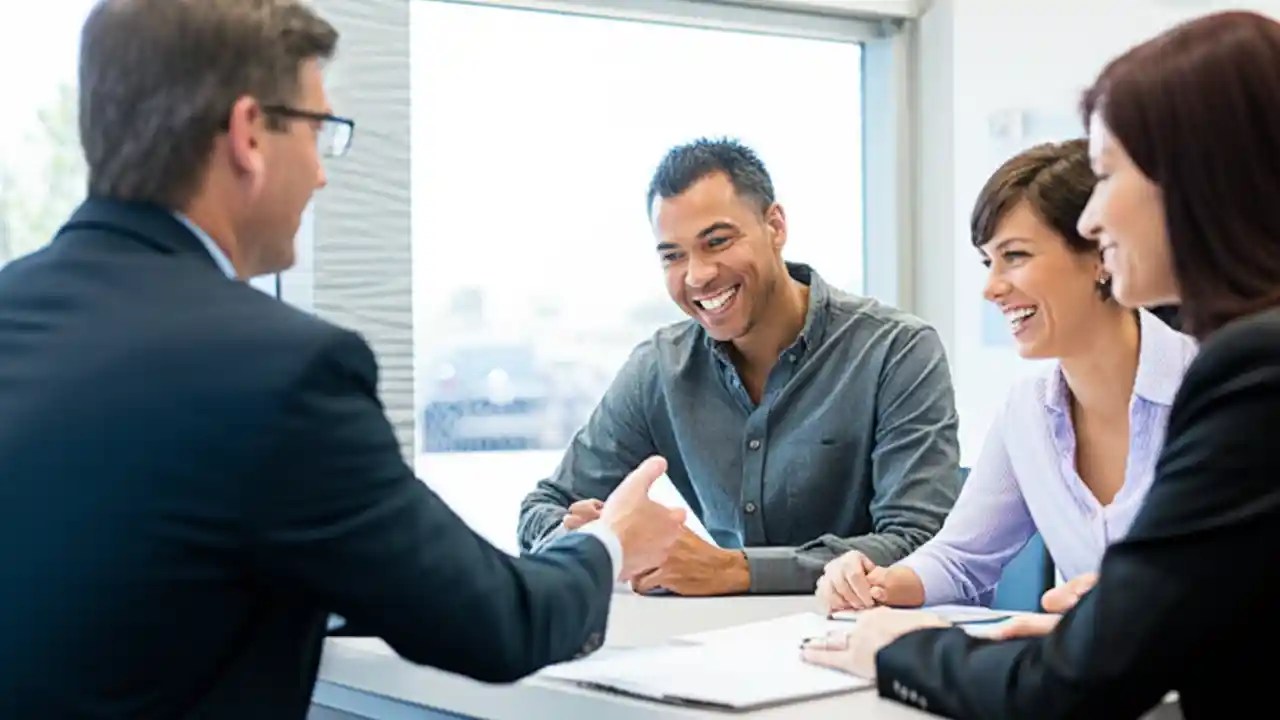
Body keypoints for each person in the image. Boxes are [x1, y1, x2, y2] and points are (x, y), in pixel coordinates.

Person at [0, 1, 687, 718]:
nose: (324, 176)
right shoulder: (277, 370)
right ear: (248, 136)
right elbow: (496, 625)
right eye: (319, 131)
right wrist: (612, 544)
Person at [801, 10, 1280, 719]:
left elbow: (1074, 686)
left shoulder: (1245, 373)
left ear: (1193, 179)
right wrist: (1130, 612)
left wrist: (895, 652)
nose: (1094, 216)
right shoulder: (1036, 408)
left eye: (1111, 174)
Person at [516, 138, 962, 596]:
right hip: (725, 642)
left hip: (867, 638)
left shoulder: (896, 350)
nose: (697, 274)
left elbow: (921, 544)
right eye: (673, 255)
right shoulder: (659, 370)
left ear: (775, 225)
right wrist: (593, 542)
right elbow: (542, 508)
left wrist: (734, 570)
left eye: (717, 241)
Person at [815, 140, 1196, 617]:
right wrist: (877, 582)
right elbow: (959, 558)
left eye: (1015, 256)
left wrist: (1131, 597)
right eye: (988, 262)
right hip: (1104, 683)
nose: (992, 288)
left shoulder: (1212, 384)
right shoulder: (1029, 409)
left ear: (1101, 254)